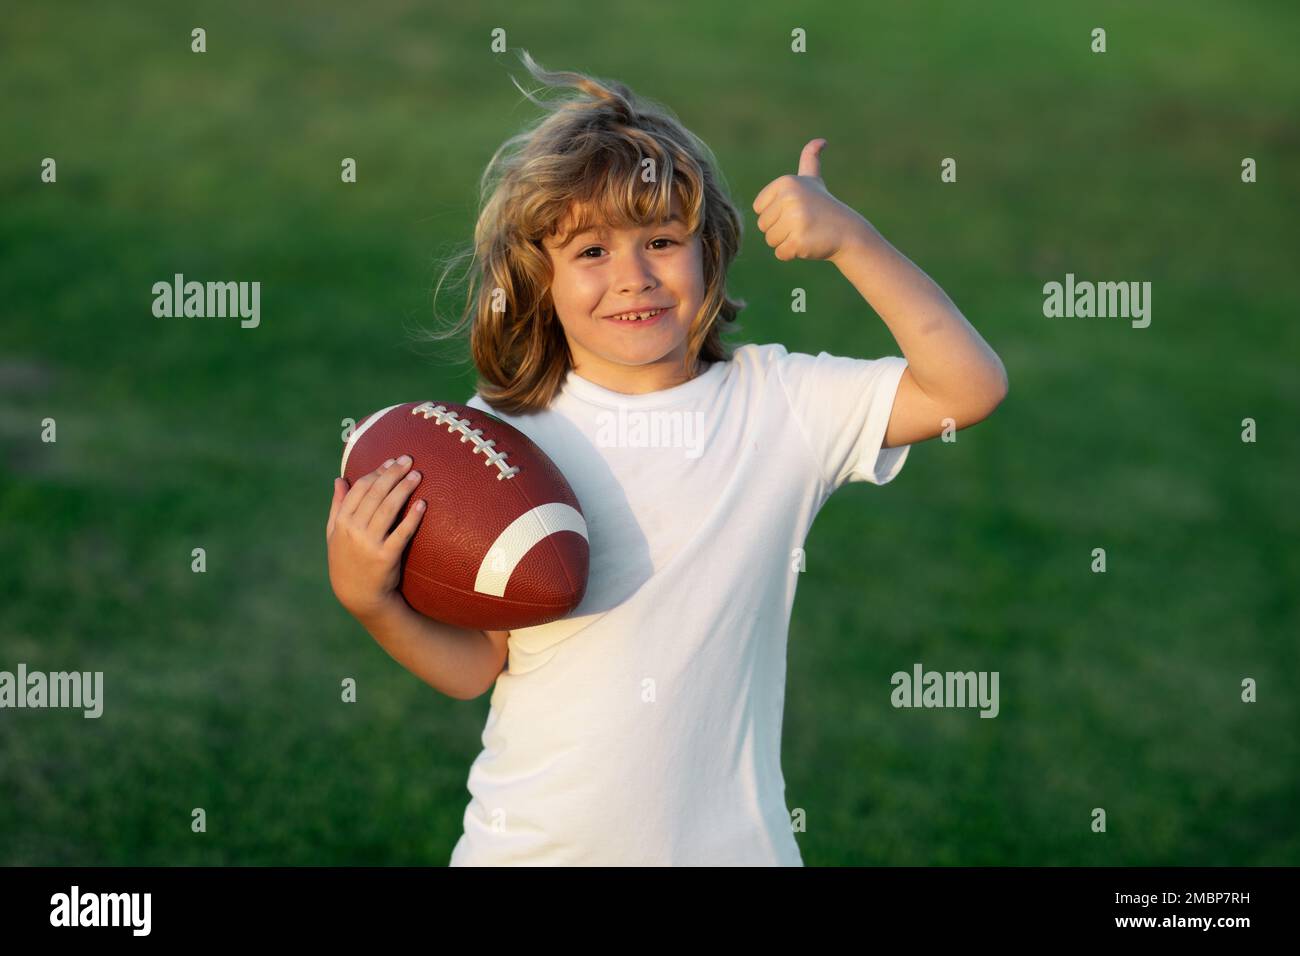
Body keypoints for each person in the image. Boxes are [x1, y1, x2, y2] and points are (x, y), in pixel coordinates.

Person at [326, 49, 1008, 865]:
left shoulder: (780, 405)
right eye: (590, 253)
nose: (633, 277)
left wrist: (853, 241)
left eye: (661, 239)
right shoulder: (503, 439)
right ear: (537, 280)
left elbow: (969, 389)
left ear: (711, 252)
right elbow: (478, 667)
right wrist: (373, 603)